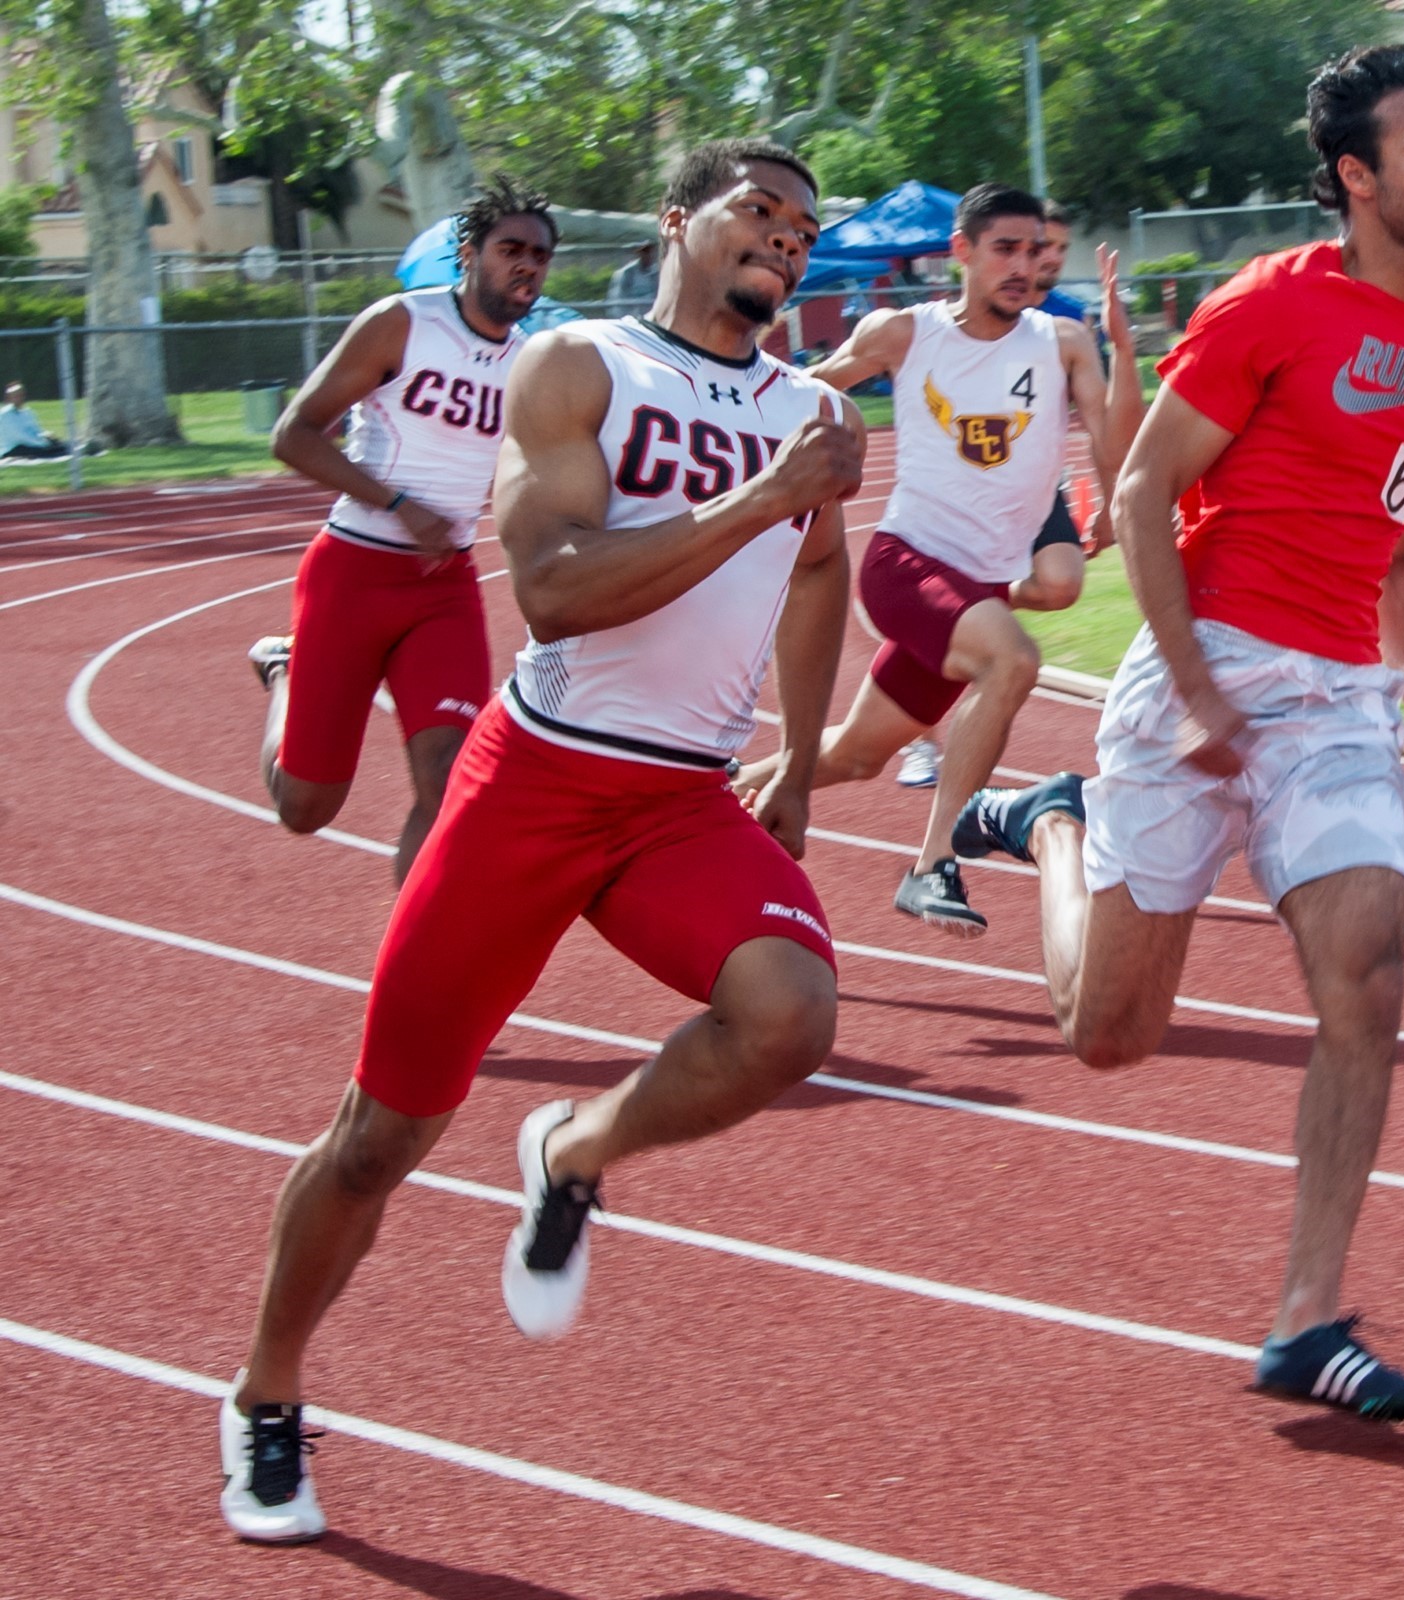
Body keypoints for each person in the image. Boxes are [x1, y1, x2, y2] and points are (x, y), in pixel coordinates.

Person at [217, 138, 864, 1543]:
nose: (789, 238)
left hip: (679, 798)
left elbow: (821, 574)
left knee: (792, 1014)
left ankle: (574, 1152)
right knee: (381, 1137)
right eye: (762, 211)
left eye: (807, 226)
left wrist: (801, 765)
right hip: (537, 784)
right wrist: (763, 491)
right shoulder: (578, 366)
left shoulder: (816, 408)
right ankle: (268, 1394)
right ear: (680, 222)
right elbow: (560, 591)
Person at [953, 43, 1404, 1422]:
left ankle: (1307, 1320)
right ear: (1357, 176)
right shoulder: (1270, 307)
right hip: (1204, 669)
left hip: (1336, 705)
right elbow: (1139, 493)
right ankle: (1057, 820)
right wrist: (1196, 691)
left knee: (1368, 969)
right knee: (1112, 1038)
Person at [732, 184, 1123, 936]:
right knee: (1011, 663)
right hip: (904, 565)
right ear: (962, 253)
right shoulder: (904, 333)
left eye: (1034, 250)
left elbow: (1106, 429)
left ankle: (706, 802)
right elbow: (805, 387)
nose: (1023, 265)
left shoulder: (1062, 342)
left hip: (977, 585)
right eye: (1004, 249)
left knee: (851, 756)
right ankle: (933, 862)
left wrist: (1107, 499)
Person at [249, 177, 557, 883]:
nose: (527, 267)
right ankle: (284, 669)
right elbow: (293, 434)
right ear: (469, 252)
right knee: (306, 807)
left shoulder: (533, 363)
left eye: (539, 256)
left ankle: (412, 969)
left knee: (451, 780)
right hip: (353, 570)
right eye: (510, 249)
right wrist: (396, 504)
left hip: (442, 584)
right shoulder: (402, 322)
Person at [895, 199, 1144, 789]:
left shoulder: (1069, 323)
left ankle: (966, 603)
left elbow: (1105, 426)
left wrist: (1112, 502)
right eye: (1025, 248)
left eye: (1047, 249)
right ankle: (920, 744)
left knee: (1060, 582)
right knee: (947, 644)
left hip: (1028, 493)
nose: (1039, 261)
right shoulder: (936, 325)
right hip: (950, 503)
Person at [0, 382, 75, 458]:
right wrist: (41, 443)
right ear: (9, 398)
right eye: (15, 396)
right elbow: (20, 437)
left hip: (32, 444)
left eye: (21, 395)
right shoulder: (5, 415)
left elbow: (36, 431)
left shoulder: (27, 412)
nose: (19, 398)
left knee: (62, 445)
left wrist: (46, 435)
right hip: (13, 448)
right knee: (48, 451)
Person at [607, 239, 659, 316]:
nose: (650, 255)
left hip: (653, 319)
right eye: (645, 252)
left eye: (651, 251)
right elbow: (617, 302)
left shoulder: (657, 272)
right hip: (632, 319)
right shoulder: (625, 274)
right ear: (639, 254)